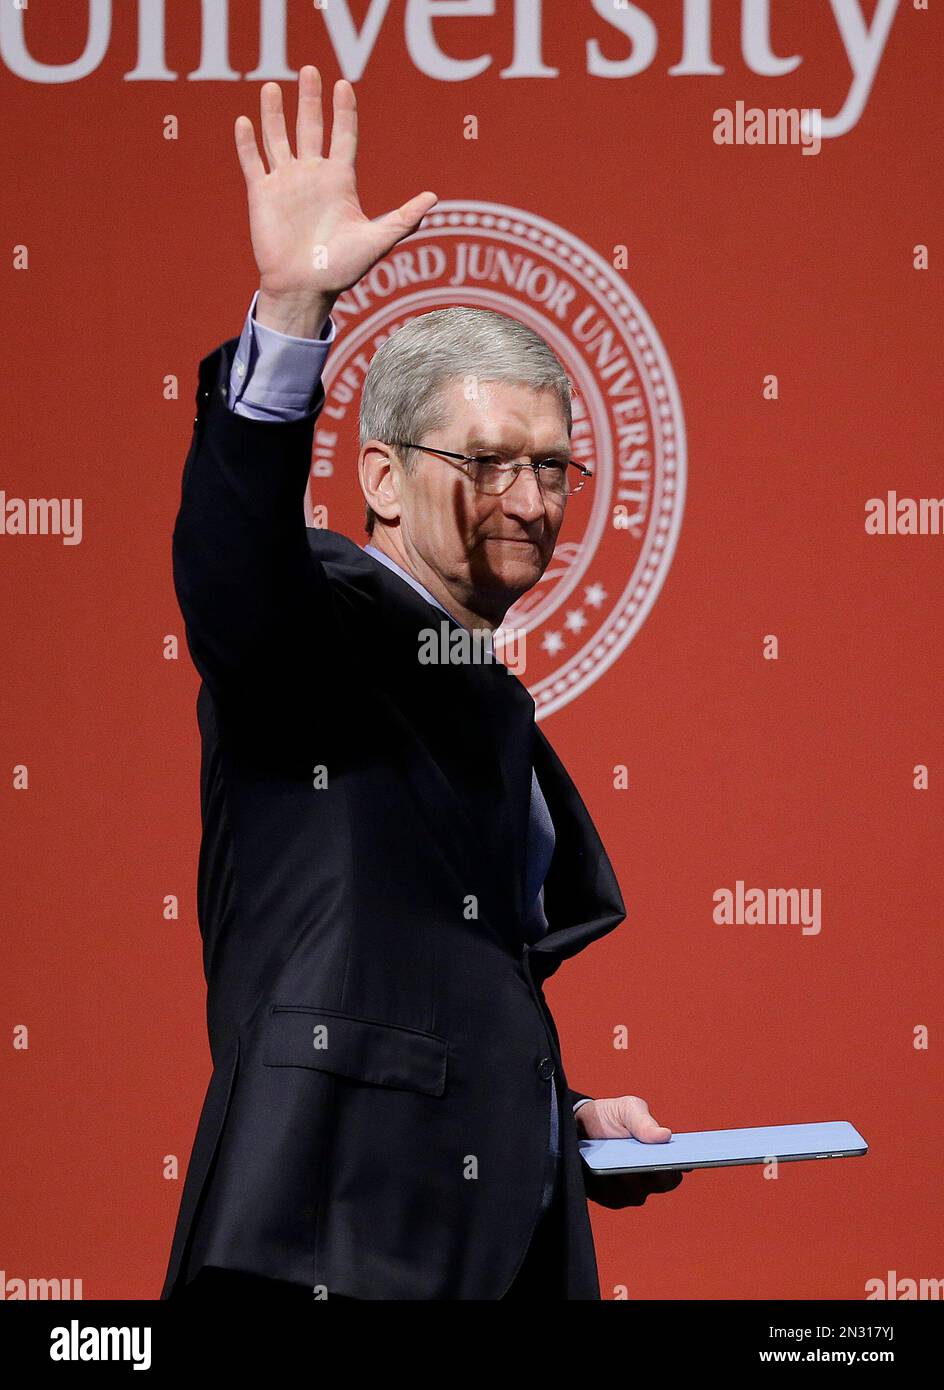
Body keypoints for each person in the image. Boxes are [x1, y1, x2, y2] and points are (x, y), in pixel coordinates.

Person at [162, 66, 682, 1304]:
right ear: (384, 481)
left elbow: (430, 977)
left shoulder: (478, 685)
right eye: (487, 460)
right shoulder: (324, 627)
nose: (530, 501)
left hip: (481, 1248)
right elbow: (233, 569)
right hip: (320, 1242)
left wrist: (557, 1117)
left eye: (553, 468)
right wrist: (291, 309)